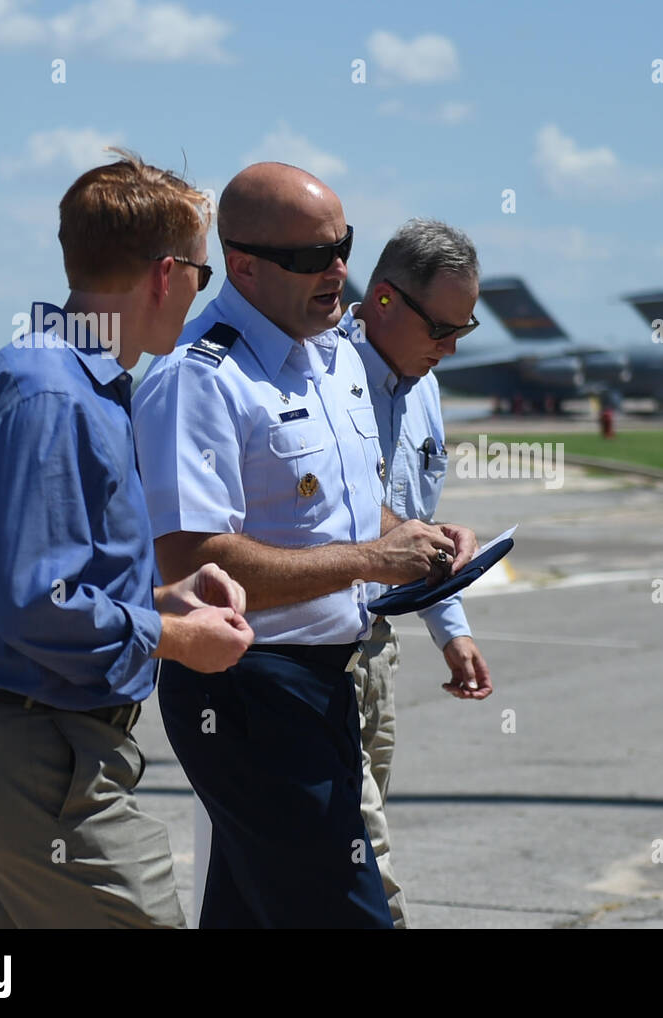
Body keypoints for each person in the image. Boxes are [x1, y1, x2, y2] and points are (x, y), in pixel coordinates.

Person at [0, 149, 254, 929]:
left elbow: (42, 583)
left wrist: (163, 596)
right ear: (167, 276)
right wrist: (175, 636)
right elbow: (39, 603)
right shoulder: (55, 396)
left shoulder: (66, 381)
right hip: (43, 757)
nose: (203, 295)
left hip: (44, 755)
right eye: (205, 274)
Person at [131, 162, 479, 928]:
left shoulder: (335, 359)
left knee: (252, 915)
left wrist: (415, 537)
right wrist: (368, 561)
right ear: (244, 264)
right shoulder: (201, 379)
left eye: (341, 246)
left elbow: (347, 515)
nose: (337, 271)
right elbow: (194, 563)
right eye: (309, 257)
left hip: (329, 682)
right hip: (252, 689)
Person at [348, 218, 494, 927]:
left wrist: (450, 627)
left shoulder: (426, 386)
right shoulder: (320, 376)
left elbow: (415, 525)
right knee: (363, 865)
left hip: (377, 648)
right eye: (441, 328)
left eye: (464, 329)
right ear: (382, 301)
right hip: (310, 651)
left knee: (308, 870)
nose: (451, 348)